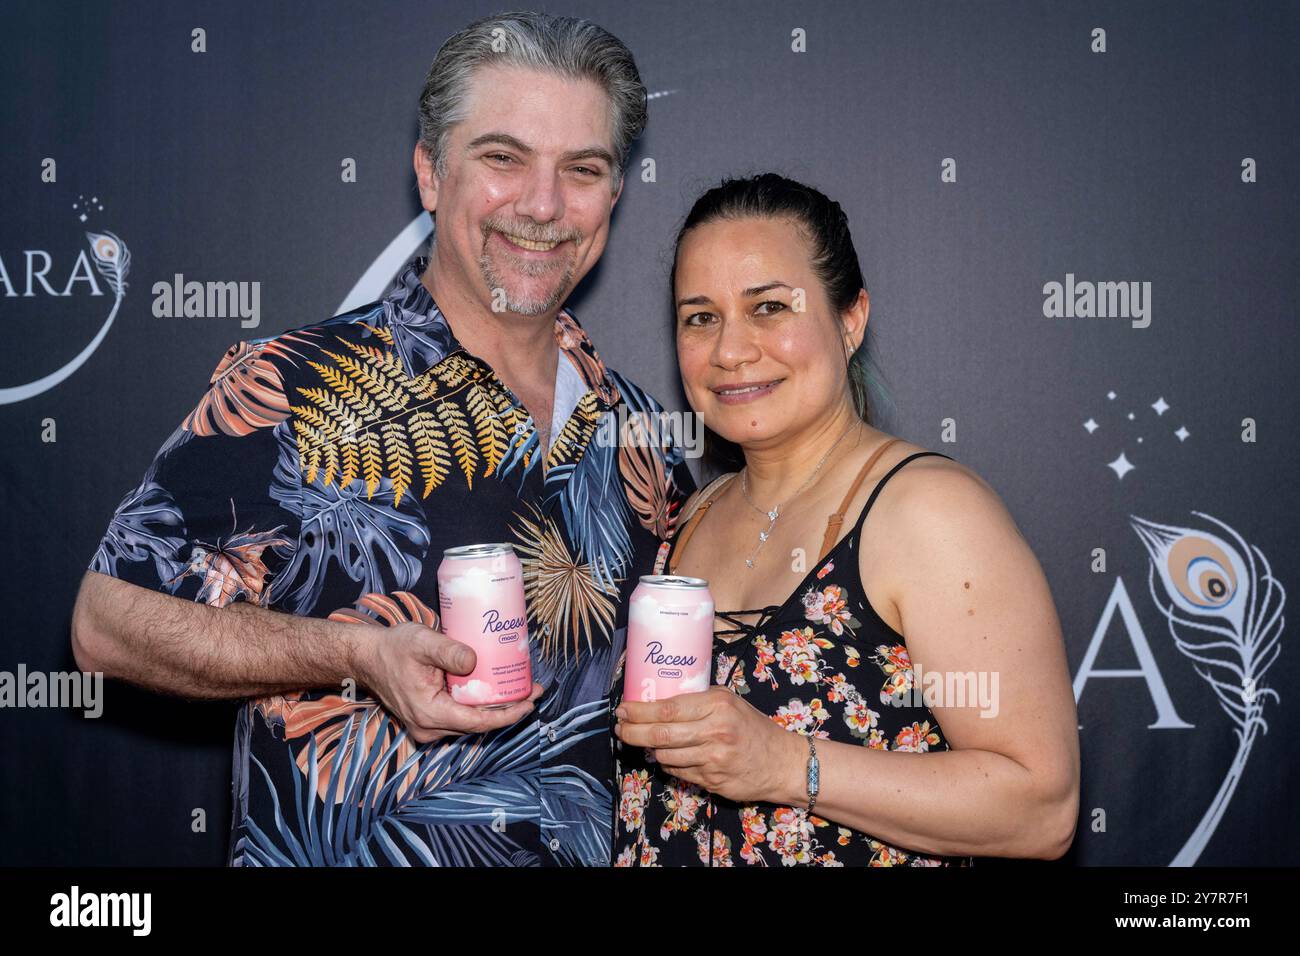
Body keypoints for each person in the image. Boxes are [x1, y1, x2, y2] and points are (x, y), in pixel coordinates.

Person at [71, 12, 694, 867]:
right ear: (430, 173)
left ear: (613, 196)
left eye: (581, 169)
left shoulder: (640, 436)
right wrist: (356, 654)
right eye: (503, 158)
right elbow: (105, 624)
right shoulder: (292, 384)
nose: (544, 205)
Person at [612, 173, 1080, 866]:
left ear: (851, 319)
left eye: (769, 307)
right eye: (700, 316)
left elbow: (1042, 809)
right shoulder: (691, 516)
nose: (731, 350)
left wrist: (783, 763)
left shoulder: (928, 512)